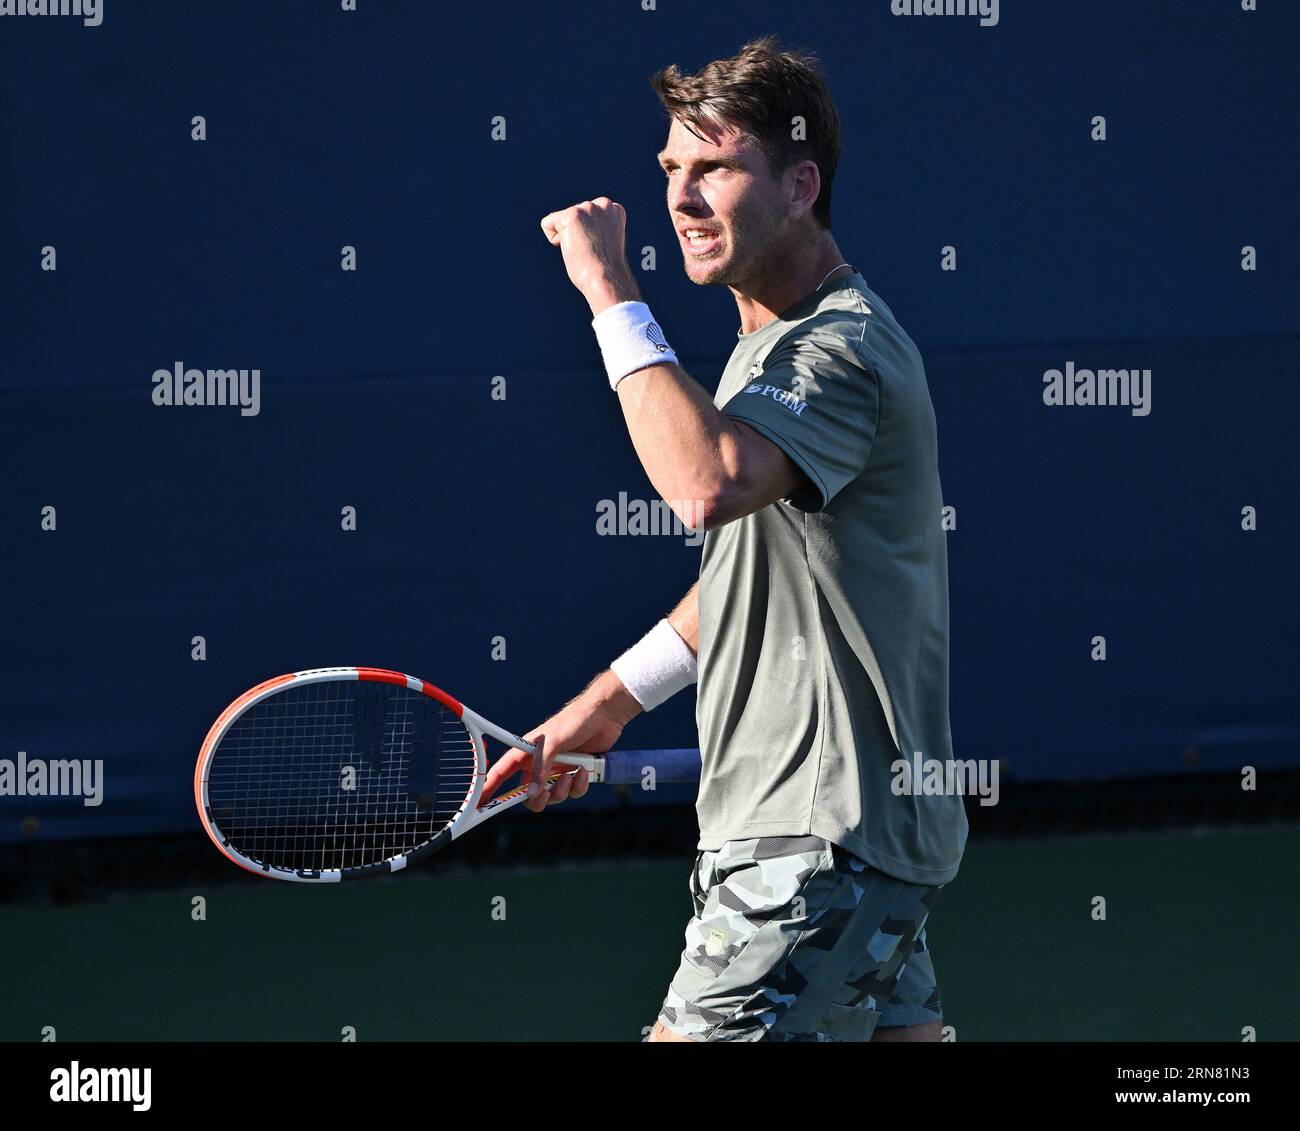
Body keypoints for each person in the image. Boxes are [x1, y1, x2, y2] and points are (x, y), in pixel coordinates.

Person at [484, 35, 968, 1042]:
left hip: (812, 838)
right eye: (671, 169)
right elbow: (752, 577)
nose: (682, 197)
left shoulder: (836, 349)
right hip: (849, 835)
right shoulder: (769, 356)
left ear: (799, 185)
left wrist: (609, 291)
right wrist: (607, 705)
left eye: (715, 166)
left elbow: (702, 490)